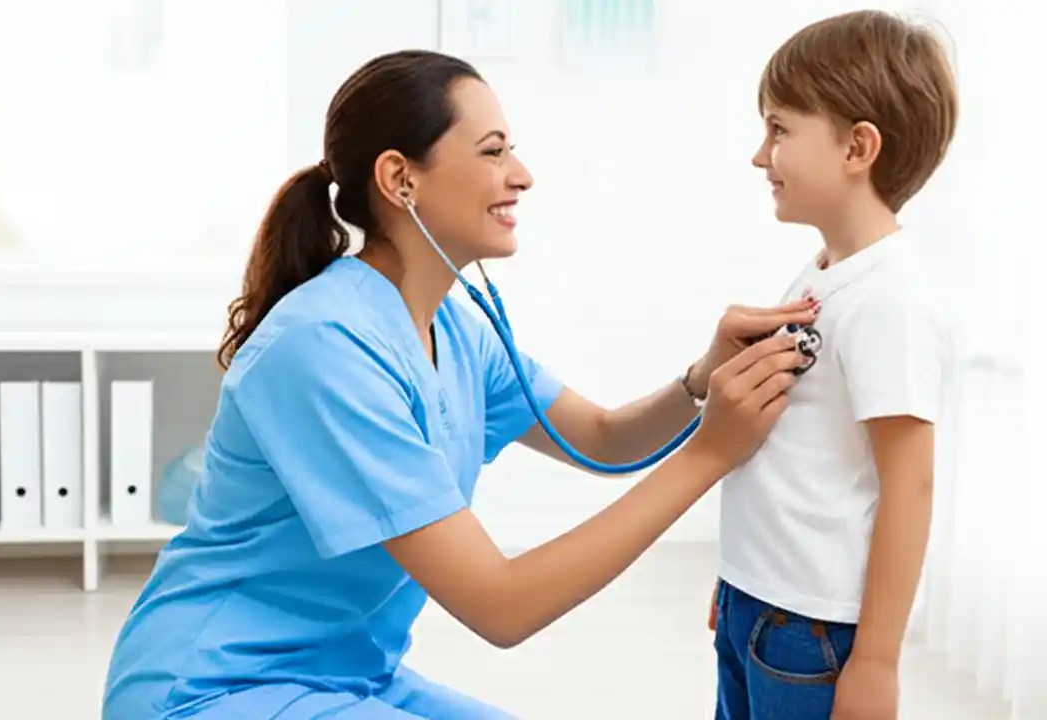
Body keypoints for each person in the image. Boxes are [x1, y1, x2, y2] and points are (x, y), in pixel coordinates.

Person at [104, 49, 815, 719]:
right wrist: (709, 454)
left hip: (346, 671)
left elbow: (602, 438)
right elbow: (500, 606)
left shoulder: (453, 325)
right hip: (212, 687)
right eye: (494, 151)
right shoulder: (325, 348)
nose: (523, 175)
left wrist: (699, 382)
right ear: (399, 178)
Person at [710, 11, 958, 720]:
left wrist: (875, 662)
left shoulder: (892, 298)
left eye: (779, 130)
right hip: (757, 606)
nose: (762, 156)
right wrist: (742, 581)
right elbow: (794, 453)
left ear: (858, 148)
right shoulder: (825, 272)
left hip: (809, 631)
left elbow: (908, 485)